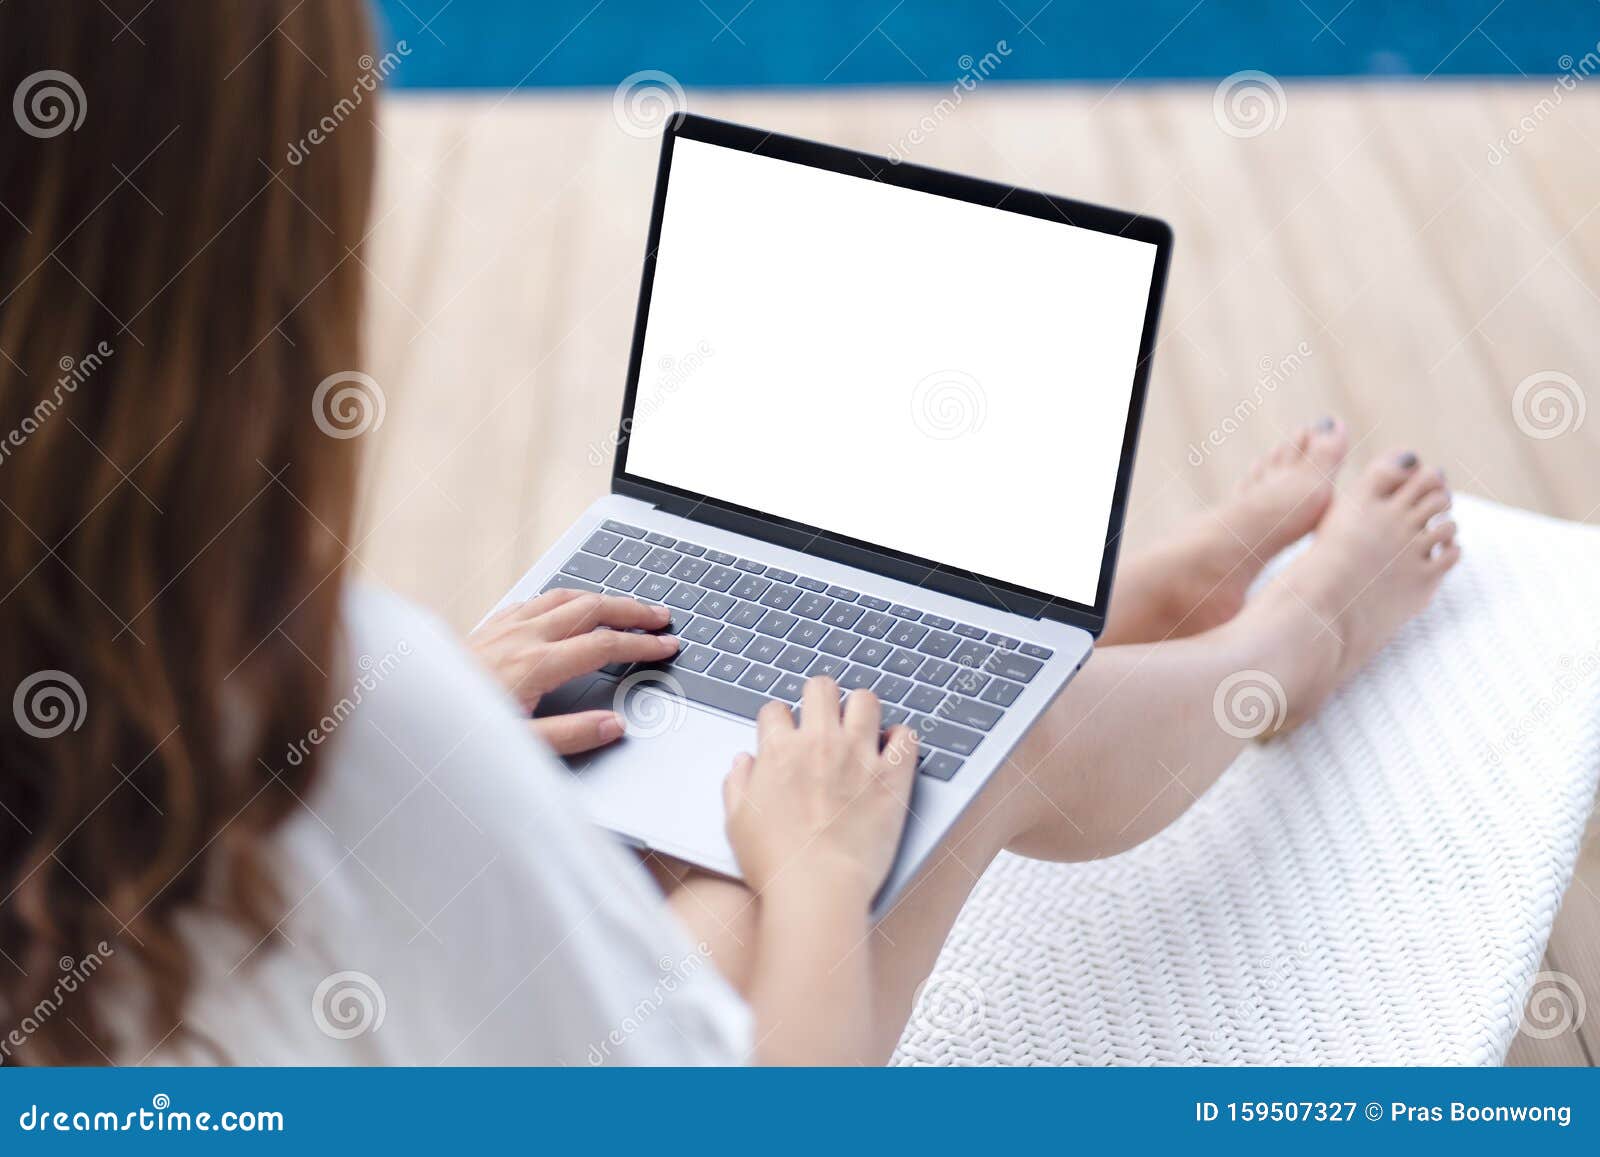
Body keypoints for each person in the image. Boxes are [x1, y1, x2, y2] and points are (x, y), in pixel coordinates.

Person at [0, 1, 1458, 1066]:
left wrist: (387, 733)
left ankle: (1121, 596)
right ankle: (1298, 629)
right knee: (956, 755)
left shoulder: (225, 713)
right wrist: (820, 875)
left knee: (685, 789)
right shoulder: (361, 711)